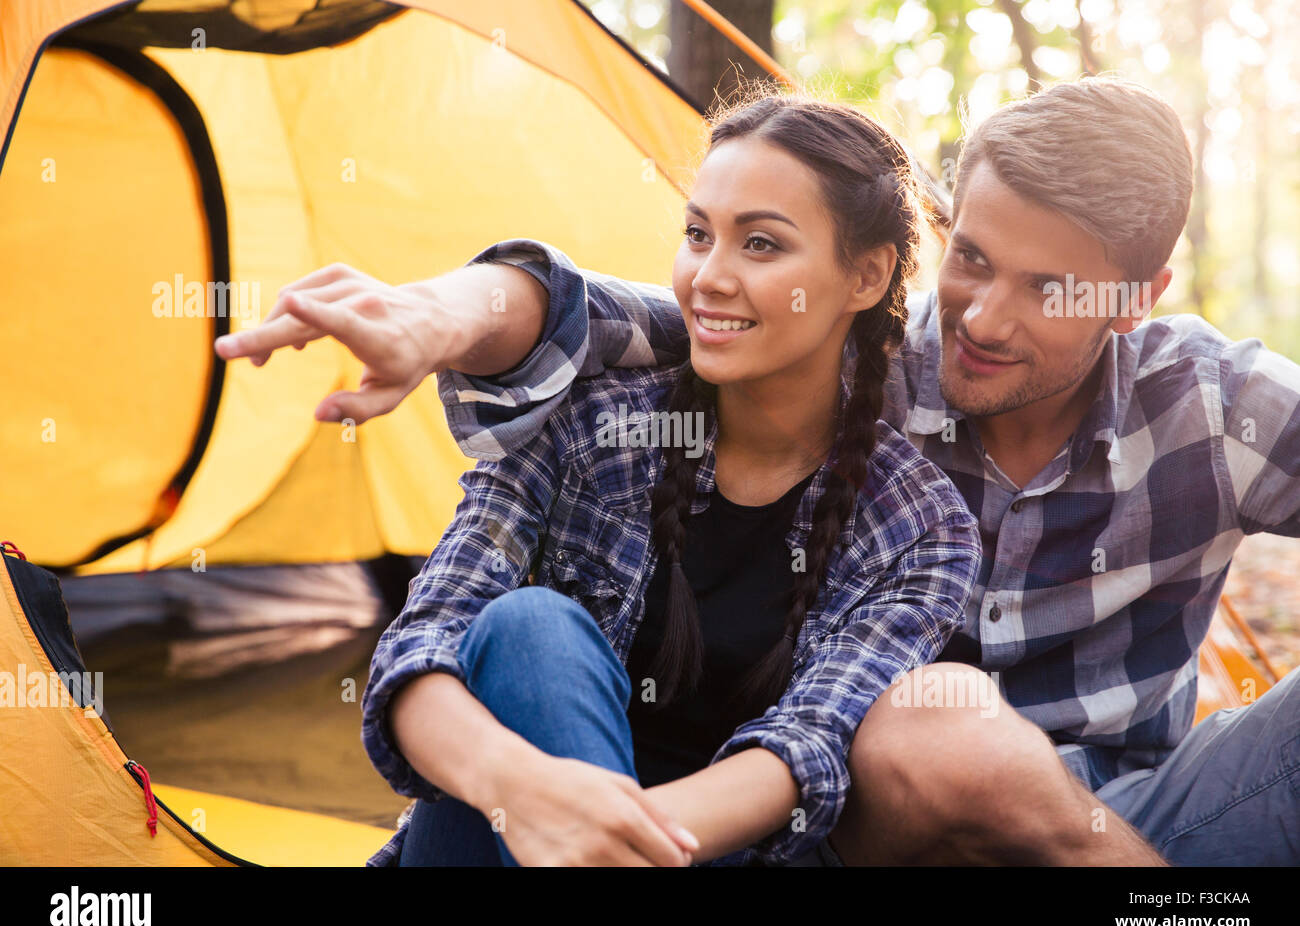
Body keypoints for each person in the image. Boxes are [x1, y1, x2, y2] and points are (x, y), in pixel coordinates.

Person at [218, 76, 1300, 865]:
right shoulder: (851, 364)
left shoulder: (1211, 406)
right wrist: (436, 311)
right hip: (888, 826)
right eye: (969, 259)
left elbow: (800, 742)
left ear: (1138, 294)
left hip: (1138, 817)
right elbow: (620, 312)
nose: (982, 316)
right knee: (929, 720)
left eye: (1046, 287)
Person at [225, 90, 982, 866]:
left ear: (865, 277)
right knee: (529, 630)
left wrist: (610, 841)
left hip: (707, 848)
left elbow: (806, 752)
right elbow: (422, 642)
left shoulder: (918, 527)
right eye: (697, 235)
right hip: (503, 828)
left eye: (760, 245)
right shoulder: (588, 426)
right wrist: (526, 794)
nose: (709, 277)